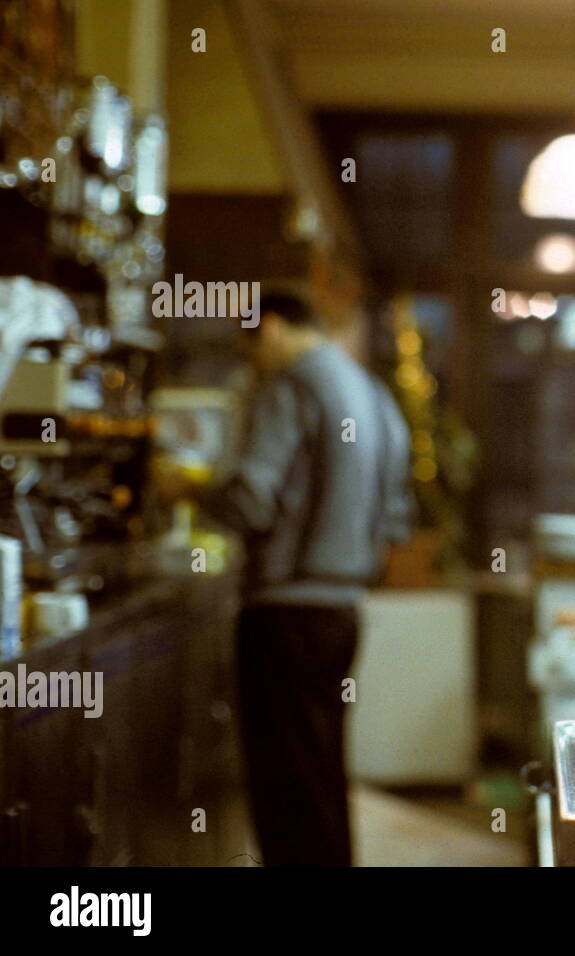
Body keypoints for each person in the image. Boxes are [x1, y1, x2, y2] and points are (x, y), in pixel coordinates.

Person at [168, 289, 413, 865]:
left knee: (284, 785)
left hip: (284, 613)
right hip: (342, 612)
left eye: (247, 344)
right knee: (320, 773)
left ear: (271, 328)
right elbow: (398, 515)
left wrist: (188, 488)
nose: (249, 361)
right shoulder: (372, 392)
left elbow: (252, 499)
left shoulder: (293, 386)